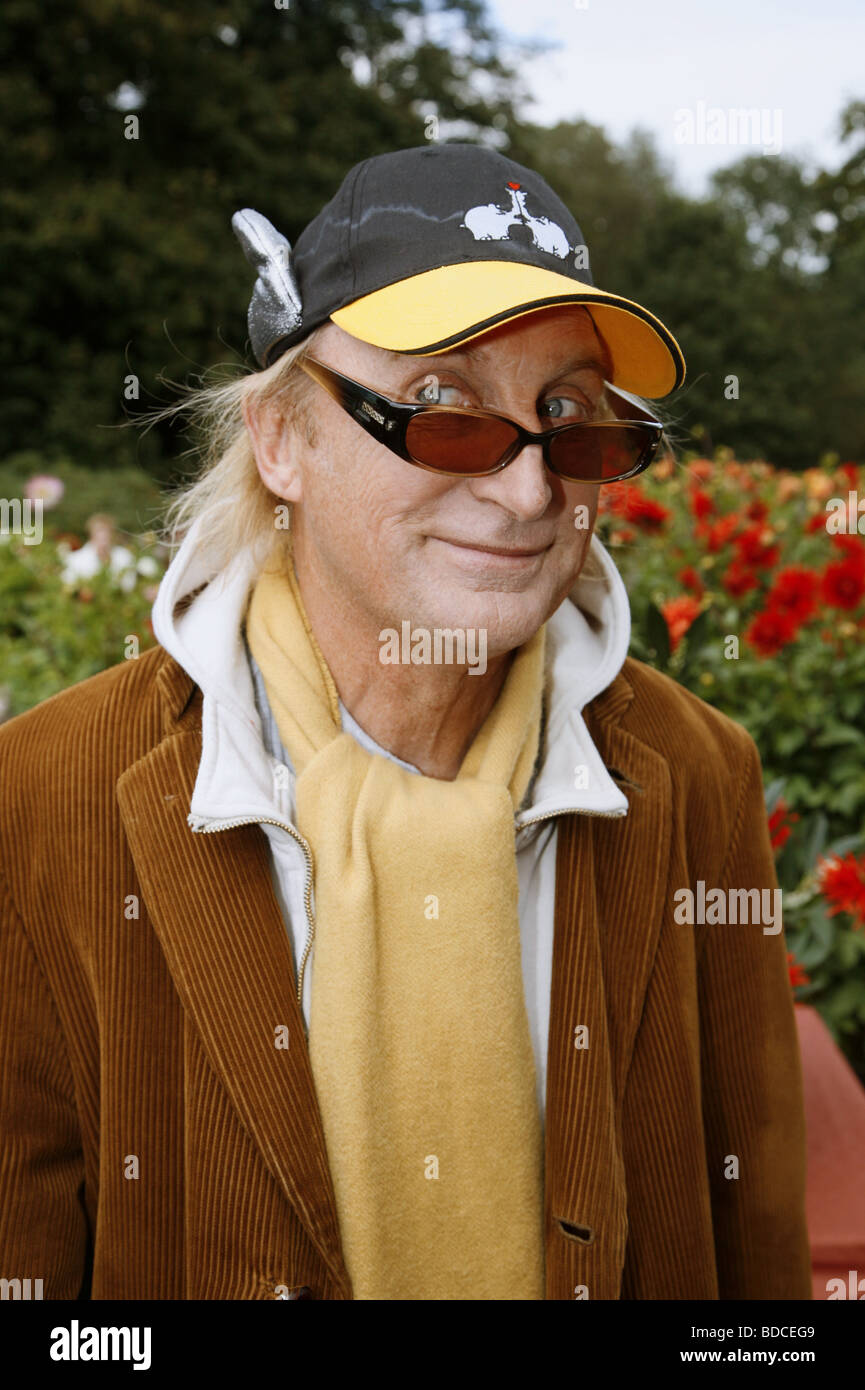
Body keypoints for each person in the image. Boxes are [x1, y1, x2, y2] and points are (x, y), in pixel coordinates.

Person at [0, 144, 811, 1301]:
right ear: (282, 439)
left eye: (569, 415)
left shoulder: (699, 772)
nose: (529, 492)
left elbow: (754, 1244)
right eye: (439, 405)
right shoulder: (39, 794)